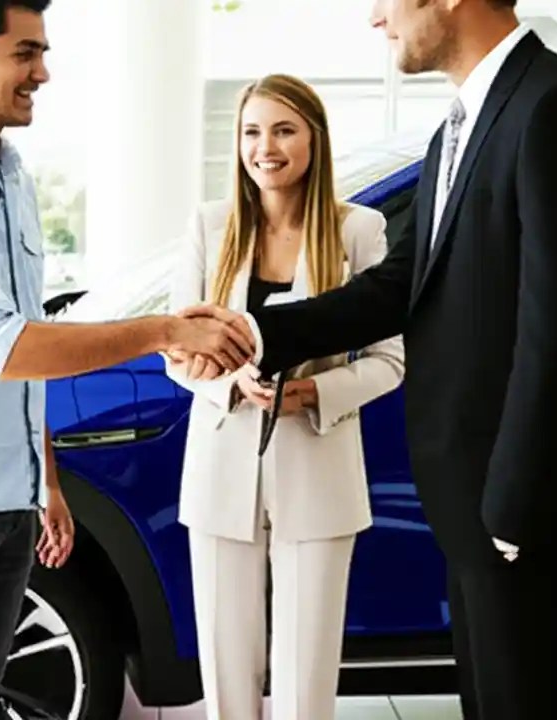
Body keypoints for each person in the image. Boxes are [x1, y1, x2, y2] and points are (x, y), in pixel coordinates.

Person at [181, 1, 557, 718]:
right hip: (477, 506)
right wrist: (256, 334)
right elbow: (401, 287)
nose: (375, 19)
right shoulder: (460, 129)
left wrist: (511, 514)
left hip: (530, 513)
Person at [0, 1, 254, 718]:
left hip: (9, 489)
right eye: (26, 53)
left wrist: (46, 478)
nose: (43, 72)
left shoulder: (10, 175)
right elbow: (2, 347)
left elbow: (30, 333)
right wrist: (164, 331)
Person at [165, 74, 405, 720]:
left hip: (319, 471)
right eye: (251, 131)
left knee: (305, 680)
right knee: (226, 674)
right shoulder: (209, 226)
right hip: (220, 473)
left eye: (282, 129)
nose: (264, 147)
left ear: (314, 140)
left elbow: (390, 362)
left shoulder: (359, 230)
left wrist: (312, 394)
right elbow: (176, 353)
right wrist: (225, 382)